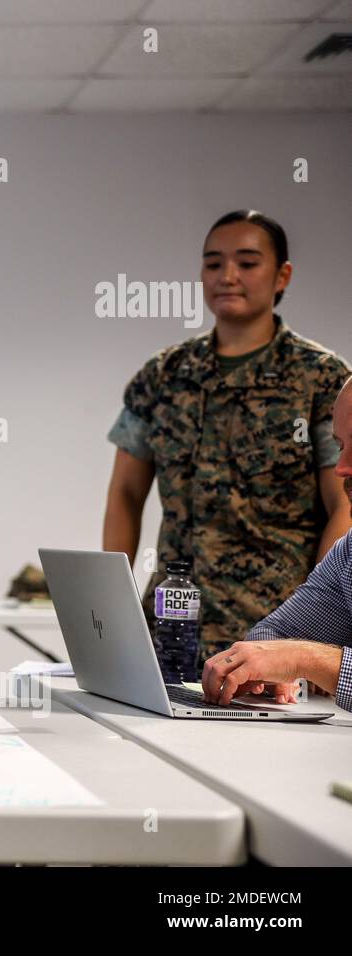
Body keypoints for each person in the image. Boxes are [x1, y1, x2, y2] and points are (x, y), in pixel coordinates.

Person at [103, 209, 352, 663]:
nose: (228, 276)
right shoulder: (164, 375)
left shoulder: (320, 378)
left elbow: (344, 506)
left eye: (248, 262)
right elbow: (124, 493)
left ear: (282, 276)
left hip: (271, 631)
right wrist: (110, 608)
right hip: (170, 628)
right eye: (213, 263)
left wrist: (314, 629)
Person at [202, 375, 352, 712]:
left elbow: (293, 648)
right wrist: (266, 665)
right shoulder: (350, 552)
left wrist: (304, 658)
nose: (341, 468)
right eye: (342, 446)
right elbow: (274, 633)